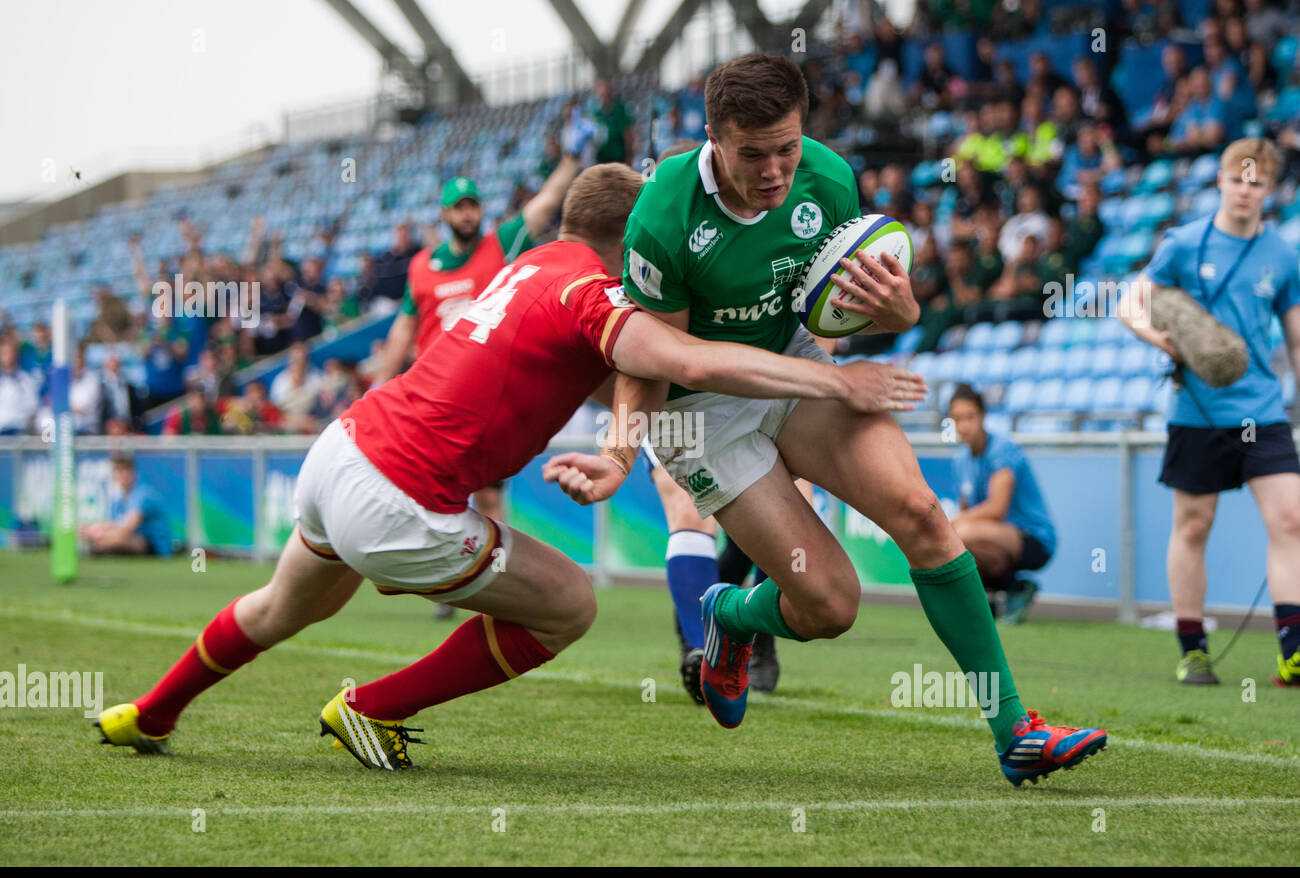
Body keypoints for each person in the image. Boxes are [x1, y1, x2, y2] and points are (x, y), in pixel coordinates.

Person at [93, 163, 923, 768]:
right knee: (569, 605)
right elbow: (689, 362)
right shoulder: (593, 291)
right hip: (398, 497)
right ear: (632, 239)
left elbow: (611, 378)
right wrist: (832, 377)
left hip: (342, 450)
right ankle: (368, 708)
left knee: (277, 606)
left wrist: (625, 443)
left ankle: (152, 713)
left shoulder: (524, 262)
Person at [564, 53, 1106, 786]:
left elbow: (864, 310)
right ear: (713, 140)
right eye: (753, 154)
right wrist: (622, 456)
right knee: (831, 603)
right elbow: (654, 362)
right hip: (701, 414)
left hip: (796, 367)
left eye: (787, 146)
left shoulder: (827, 177)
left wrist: (900, 311)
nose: (775, 171)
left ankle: (1015, 729)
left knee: (919, 512)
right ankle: (733, 615)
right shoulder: (662, 212)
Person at [372, 114, 595, 577]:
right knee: (426, 487)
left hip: (483, 392)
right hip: (432, 393)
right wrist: (378, 384)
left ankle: (498, 575)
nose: (467, 213)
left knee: (490, 492)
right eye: (459, 207)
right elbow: (402, 329)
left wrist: (572, 158)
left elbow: (547, 201)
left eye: (473, 205)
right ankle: (429, 570)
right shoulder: (422, 268)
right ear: (445, 214)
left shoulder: (501, 245)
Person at [1118, 138, 1300, 687]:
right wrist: (1159, 339)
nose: (1246, 190)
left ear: (1270, 191)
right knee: (1193, 525)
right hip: (1196, 411)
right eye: (1238, 179)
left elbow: (1295, 340)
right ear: (1221, 180)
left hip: (1263, 410)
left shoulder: (1283, 255)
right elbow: (1131, 302)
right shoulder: (1183, 242)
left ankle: (1293, 650)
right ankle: (1192, 649)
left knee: (1290, 519)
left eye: (1257, 182)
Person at [948, 384, 1057, 624]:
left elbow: (997, 508)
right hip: (994, 539)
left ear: (983, 416)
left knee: (959, 532)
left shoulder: (1002, 449)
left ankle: (1006, 592)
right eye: (957, 418)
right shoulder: (960, 460)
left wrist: (953, 521)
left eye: (970, 417)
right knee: (952, 539)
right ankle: (1012, 591)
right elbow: (967, 509)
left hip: (1033, 538)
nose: (964, 425)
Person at [81, 456, 173, 556]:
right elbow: (114, 524)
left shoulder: (142, 495)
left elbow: (127, 528)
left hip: (155, 546)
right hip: (134, 539)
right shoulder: (119, 500)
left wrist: (101, 538)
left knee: (118, 539)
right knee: (108, 536)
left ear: (134, 473)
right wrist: (92, 530)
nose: (123, 475)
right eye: (118, 471)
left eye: (126, 470)